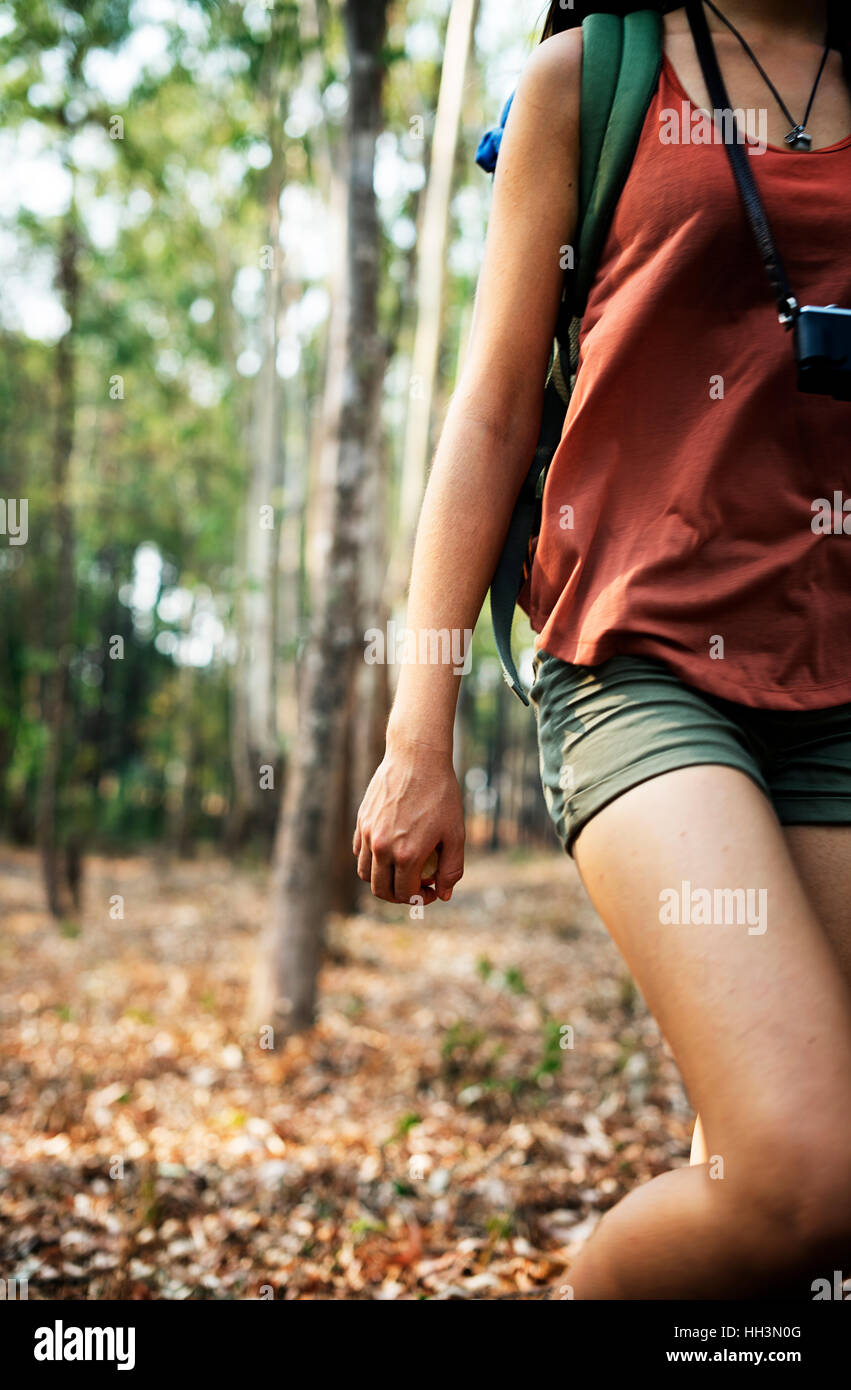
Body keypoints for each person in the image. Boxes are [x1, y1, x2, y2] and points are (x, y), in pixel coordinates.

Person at [352, 0, 851, 1298]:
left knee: (767, 1198)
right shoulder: (594, 78)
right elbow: (492, 408)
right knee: (808, 1164)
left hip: (839, 667)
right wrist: (419, 732)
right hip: (639, 649)